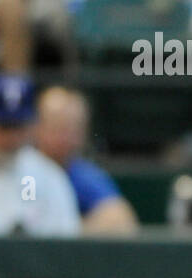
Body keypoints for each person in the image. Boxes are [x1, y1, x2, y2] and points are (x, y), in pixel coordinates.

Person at [0, 73, 79, 237]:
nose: (10, 137)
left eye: (18, 127)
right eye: (3, 127)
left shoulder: (49, 176)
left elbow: (66, 245)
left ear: (32, 125)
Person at [33, 84, 137, 233]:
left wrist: (68, 229)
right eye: (58, 127)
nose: (66, 138)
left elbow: (120, 217)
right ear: (36, 127)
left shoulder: (82, 174)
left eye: (73, 129)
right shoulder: (23, 170)